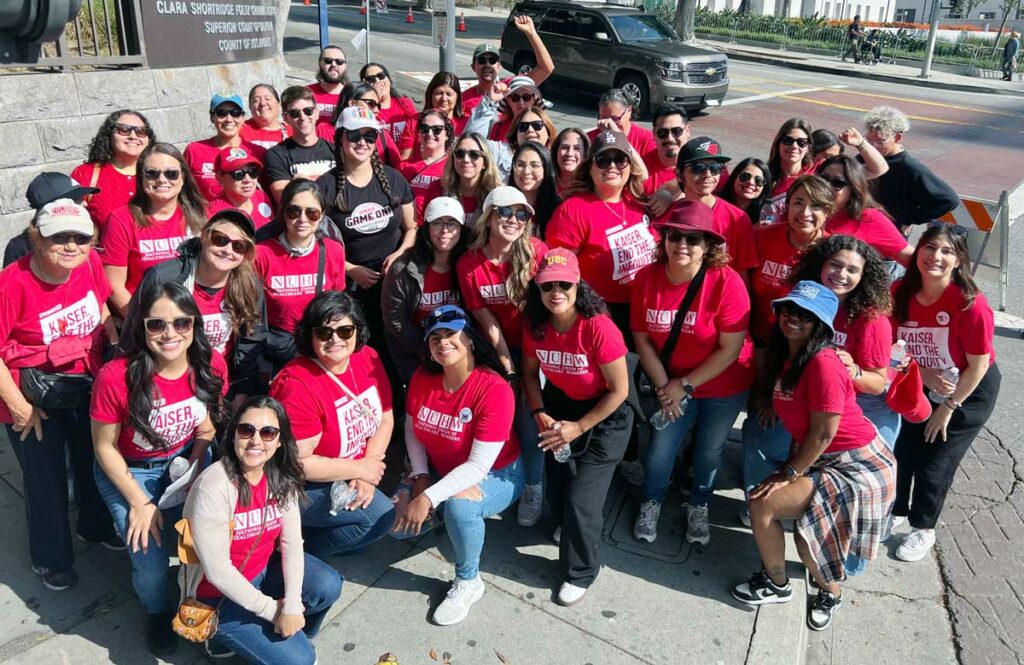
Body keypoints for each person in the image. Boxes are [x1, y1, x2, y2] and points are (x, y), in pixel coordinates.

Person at [731, 280, 895, 632]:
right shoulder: (787, 354)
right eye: (788, 309)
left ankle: (827, 592)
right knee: (789, 520)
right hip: (826, 458)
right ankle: (779, 583)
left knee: (773, 510)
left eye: (805, 314)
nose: (793, 317)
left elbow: (823, 433)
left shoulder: (823, 363)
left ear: (821, 324)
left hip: (857, 465)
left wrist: (788, 472)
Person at [91, 281, 227, 655]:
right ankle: (156, 610)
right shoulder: (116, 377)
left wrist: (197, 470)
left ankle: (201, 596)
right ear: (141, 327)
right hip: (131, 469)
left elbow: (207, 425)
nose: (170, 334)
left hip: (188, 458)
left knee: (205, 538)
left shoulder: (210, 364)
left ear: (194, 325)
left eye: (182, 323)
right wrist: (140, 502)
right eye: (157, 325)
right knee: (150, 560)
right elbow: (103, 447)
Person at [0, 200, 120, 593]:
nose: (72, 245)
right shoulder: (11, 284)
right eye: (60, 237)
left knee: (92, 459)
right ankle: (50, 558)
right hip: (31, 394)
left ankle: (95, 526)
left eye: (81, 238)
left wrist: (114, 348)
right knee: (45, 479)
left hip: (84, 380)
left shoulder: (88, 264)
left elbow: (100, 304)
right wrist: (19, 408)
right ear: (37, 238)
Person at [630, 201, 753, 545]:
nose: (682, 244)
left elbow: (730, 349)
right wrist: (664, 388)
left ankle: (699, 504)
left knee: (710, 450)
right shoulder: (646, 278)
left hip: (722, 384)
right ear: (664, 238)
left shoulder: (726, 283)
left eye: (694, 239)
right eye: (675, 235)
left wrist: (684, 385)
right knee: (661, 446)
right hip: (670, 380)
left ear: (709, 246)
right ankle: (652, 500)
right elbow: (642, 339)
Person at [183, 396, 341, 663]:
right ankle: (230, 636)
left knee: (327, 585)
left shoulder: (280, 476)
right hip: (220, 596)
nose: (256, 440)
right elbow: (218, 572)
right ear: (233, 435)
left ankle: (291, 633)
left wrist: (291, 606)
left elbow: (291, 543)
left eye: (268, 432)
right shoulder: (214, 485)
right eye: (246, 430)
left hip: (262, 572)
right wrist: (273, 610)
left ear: (280, 441)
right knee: (301, 661)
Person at [392, 305, 523, 626]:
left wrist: (428, 496)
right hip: (441, 468)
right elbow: (412, 428)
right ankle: (439, 511)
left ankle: (468, 581)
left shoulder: (494, 390)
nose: (442, 342)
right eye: (434, 337)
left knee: (459, 509)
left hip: (498, 473)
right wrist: (420, 477)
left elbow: (479, 466)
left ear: (470, 340)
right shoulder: (423, 377)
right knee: (395, 526)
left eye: (450, 333)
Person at [521, 248, 632, 606]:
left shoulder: (598, 326)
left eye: (565, 284)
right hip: (557, 406)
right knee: (558, 485)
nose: (557, 292)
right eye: (548, 285)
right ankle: (572, 529)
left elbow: (620, 390)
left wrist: (580, 427)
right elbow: (527, 371)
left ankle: (581, 571)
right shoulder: (536, 324)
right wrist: (539, 412)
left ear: (578, 284)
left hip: (604, 416)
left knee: (582, 498)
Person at [890, 224, 1000, 562]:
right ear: (918, 250)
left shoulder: (969, 304)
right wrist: (922, 372)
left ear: (958, 261)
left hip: (967, 392)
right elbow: (893, 345)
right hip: (918, 380)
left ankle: (923, 528)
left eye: (947, 252)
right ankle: (895, 511)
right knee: (903, 450)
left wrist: (948, 406)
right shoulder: (899, 291)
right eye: (929, 247)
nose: (935, 257)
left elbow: (979, 366)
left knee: (936, 462)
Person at [270, 291, 396, 558]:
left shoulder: (367, 357)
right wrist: (360, 467)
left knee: (371, 527)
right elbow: (298, 463)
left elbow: (386, 416)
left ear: (357, 332)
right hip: (304, 484)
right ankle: (297, 557)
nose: (336, 339)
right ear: (311, 336)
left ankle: (309, 539)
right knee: (377, 517)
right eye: (324, 333)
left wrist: (368, 469)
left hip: (351, 469)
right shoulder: (297, 385)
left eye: (345, 330)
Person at [456, 186, 546, 525]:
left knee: (529, 416)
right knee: (497, 413)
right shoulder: (469, 263)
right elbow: (487, 321)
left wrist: (526, 367)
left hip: (538, 346)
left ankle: (534, 486)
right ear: (489, 217)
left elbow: (547, 313)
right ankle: (492, 473)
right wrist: (509, 367)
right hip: (498, 350)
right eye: (505, 212)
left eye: (521, 214)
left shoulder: (537, 252)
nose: (513, 220)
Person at [742, 176, 834, 502]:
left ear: (828, 212)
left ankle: (784, 497)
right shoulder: (762, 236)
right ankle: (758, 494)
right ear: (786, 205)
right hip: (759, 345)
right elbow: (741, 288)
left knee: (789, 430)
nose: (805, 212)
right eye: (798, 202)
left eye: (816, 206)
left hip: (803, 359)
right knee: (759, 423)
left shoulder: (832, 255)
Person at [317, 107, 415, 376]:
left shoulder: (393, 179)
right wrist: (351, 270)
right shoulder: (325, 186)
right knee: (363, 353)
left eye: (370, 137)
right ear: (340, 139)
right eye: (354, 136)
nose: (362, 143)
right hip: (353, 285)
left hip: (394, 280)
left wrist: (400, 255)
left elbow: (412, 227)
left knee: (398, 352)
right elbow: (316, 242)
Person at [133, 209, 265, 398]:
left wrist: (242, 391)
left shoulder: (250, 285)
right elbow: (134, 335)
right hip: (164, 385)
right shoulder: (163, 278)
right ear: (204, 236)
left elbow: (251, 339)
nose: (228, 250)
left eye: (239, 246)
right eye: (220, 239)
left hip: (220, 384)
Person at [547, 130, 657, 336]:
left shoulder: (637, 202)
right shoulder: (573, 210)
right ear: (590, 167)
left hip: (645, 308)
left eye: (620, 159)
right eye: (603, 160)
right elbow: (557, 273)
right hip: (600, 314)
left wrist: (668, 193)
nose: (612, 166)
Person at [102, 142, 207, 316]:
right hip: (146, 319)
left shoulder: (200, 216)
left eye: (171, 174)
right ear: (141, 177)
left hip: (194, 317)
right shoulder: (121, 220)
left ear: (183, 178)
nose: (161, 180)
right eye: (152, 173)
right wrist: (142, 325)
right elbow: (114, 286)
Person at [255, 180, 347, 371]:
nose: (302, 219)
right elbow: (250, 313)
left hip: (321, 346)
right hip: (278, 350)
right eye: (294, 211)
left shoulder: (333, 251)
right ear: (283, 212)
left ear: (321, 216)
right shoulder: (262, 254)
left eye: (311, 213)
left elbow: (338, 305)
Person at [382, 196, 469, 383]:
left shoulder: (468, 263)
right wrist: (429, 349)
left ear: (461, 229)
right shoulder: (403, 268)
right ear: (426, 228)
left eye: (452, 223)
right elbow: (395, 320)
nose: (445, 230)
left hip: (458, 345)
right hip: (415, 349)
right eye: (437, 223)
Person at [765, 119, 887, 223]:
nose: (794, 147)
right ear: (778, 143)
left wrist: (860, 144)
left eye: (802, 142)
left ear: (809, 147)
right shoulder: (764, 177)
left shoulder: (820, 171)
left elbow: (879, 169)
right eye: (788, 141)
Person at [673, 136, 758, 282]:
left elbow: (742, 274)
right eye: (698, 168)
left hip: (720, 300)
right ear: (679, 175)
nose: (708, 175)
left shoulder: (738, 219)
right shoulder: (668, 215)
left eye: (715, 168)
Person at [863, 106, 959, 232]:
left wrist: (909, 219)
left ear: (897, 137)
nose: (873, 146)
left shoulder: (909, 167)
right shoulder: (864, 156)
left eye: (880, 141)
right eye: (869, 140)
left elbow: (948, 200)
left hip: (887, 232)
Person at [817, 154, 912, 267]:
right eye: (822, 179)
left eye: (837, 183)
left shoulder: (869, 218)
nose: (826, 186)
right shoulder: (800, 208)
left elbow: (910, 258)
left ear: (853, 188)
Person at [70, 109, 154, 233]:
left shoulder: (162, 175)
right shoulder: (86, 174)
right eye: (124, 129)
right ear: (109, 134)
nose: (133, 136)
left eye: (141, 131)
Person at [4, 172, 101, 267]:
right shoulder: (19, 247)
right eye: (75, 200)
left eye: (81, 239)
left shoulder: (87, 246)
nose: (85, 204)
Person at [460, 19, 554, 114]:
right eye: (482, 60)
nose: (487, 64)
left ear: (498, 66)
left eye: (492, 60)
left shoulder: (512, 87)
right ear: (473, 67)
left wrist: (531, 32)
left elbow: (546, 69)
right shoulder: (463, 99)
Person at [184, 93, 263, 201]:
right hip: (207, 217)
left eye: (235, 113)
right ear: (212, 117)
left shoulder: (257, 152)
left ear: (243, 117)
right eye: (222, 113)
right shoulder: (194, 150)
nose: (229, 119)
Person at [264, 86, 336, 203]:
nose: (303, 117)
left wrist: (301, 185)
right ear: (286, 118)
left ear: (317, 113)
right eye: (295, 113)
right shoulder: (276, 155)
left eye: (308, 111)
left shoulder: (335, 150)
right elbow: (285, 201)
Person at [420, 133, 502, 227]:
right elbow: (426, 227)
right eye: (460, 154)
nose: (466, 159)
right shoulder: (438, 188)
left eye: (474, 155)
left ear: (485, 163)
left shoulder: (496, 196)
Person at [399, 72, 468, 161]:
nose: (444, 99)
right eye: (439, 93)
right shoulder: (415, 121)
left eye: (449, 94)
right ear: (430, 94)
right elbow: (405, 160)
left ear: (457, 96)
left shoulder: (467, 122)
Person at [331, 81, 402, 166]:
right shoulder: (324, 130)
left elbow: (398, 167)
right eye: (371, 103)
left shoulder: (382, 134)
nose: (377, 110)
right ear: (352, 103)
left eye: (370, 137)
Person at [400, 109, 453, 219]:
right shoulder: (404, 167)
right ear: (419, 134)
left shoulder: (453, 167)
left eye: (436, 129)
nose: (429, 134)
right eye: (424, 129)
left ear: (447, 134)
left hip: (439, 230)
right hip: (410, 229)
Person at [207, 147, 276, 229]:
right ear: (219, 177)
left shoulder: (261, 196)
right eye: (238, 174)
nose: (248, 180)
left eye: (253, 172)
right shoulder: (214, 212)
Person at [643, 104, 691, 215]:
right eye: (662, 133)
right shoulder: (640, 170)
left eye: (677, 131)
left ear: (688, 130)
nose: (670, 138)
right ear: (654, 134)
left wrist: (668, 191)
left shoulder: (705, 164)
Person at [508, 141, 561, 238]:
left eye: (534, 165)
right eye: (520, 165)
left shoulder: (558, 208)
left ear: (546, 169)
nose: (526, 172)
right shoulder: (502, 203)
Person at [360, 62, 418, 146]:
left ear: (389, 80)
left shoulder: (405, 103)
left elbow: (416, 131)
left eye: (381, 76)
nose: (377, 81)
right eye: (371, 79)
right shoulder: (367, 109)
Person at [586, 88, 656, 156]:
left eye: (615, 119)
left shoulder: (646, 140)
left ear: (629, 111)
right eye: (603, 118)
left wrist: (618, 136)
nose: (608, 124)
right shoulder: (589, 140)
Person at [309, 45, 349, 134]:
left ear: (345, 66)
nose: (334, 65)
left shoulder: (352, 95)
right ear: (320, 63)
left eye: (339, 62)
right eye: (328, 61)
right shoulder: (306, 93)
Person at [720, 157, 773, 225]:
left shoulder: (764, 216)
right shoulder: (716, 205)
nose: (751, 182)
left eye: (759, 180)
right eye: (745, 176)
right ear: (734, 177)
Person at [240, 84, 291, 150]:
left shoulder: (292, 133)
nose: (262, 103)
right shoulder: (239, 130)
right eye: (256, 100)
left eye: (267, 98)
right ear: (250, 107)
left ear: (278, 104)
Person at [551, 128, 590, 195]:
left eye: (577, 148)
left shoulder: (592, 186)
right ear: (556, 151)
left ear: (585, 154)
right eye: (564, 147)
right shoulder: (544, 182)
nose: (569, 153)